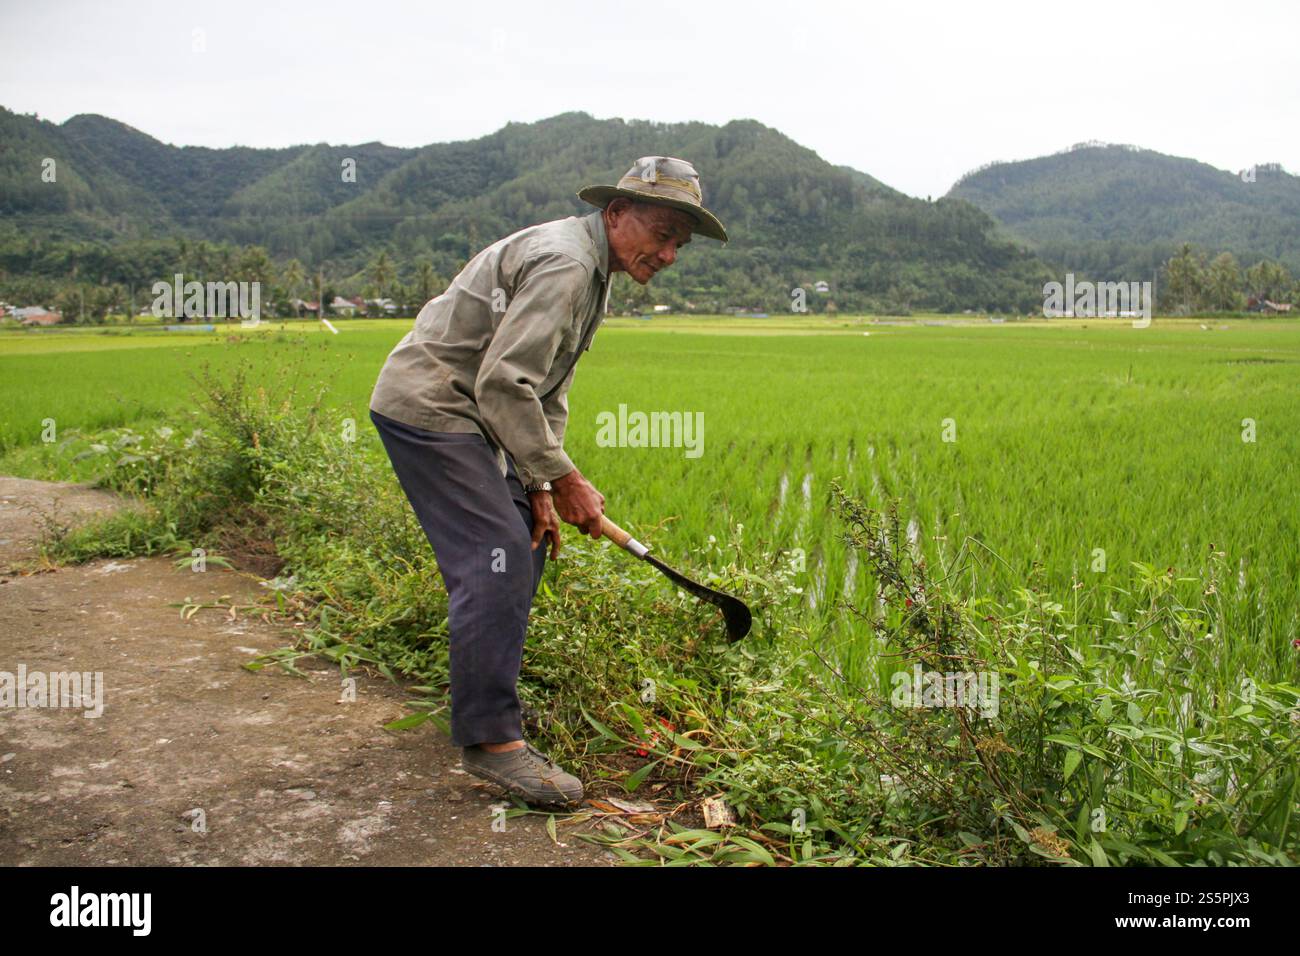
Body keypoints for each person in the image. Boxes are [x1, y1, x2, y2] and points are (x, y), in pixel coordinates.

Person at [368, 156, 728, 806]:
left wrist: (539, 485)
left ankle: (486, 706)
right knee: (496, 560)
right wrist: (567, 479)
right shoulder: (568, 263)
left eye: (681, 242)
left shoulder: (596, 269)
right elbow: (503, 382)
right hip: (434, 407)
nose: (670, 253)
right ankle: (493, 743)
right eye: (662, 232)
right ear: (616, 214)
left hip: (476, 414)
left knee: (527, 543)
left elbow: (544, 387)